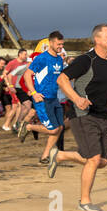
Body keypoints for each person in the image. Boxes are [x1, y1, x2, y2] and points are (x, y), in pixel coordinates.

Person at [46, 23, 107, 211]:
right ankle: (85, 201)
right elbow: (62, 79)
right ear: (97, 39)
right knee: (94, 158)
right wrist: (76, 99)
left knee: (103, 161)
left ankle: (61, 155)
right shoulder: (86, 60)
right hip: (82, 114)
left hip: (103, 116)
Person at [23, 31, 68, 163]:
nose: (61, 47)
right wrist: (33, 93)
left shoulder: (60, 59)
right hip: (41, 99)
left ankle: (44, 157)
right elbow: (27, 75)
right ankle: (29, 127)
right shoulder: (41, 58)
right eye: (58, 44)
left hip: (54, 99)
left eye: (62, 44)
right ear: (51, 43)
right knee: (53, 129)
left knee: (59, 128)